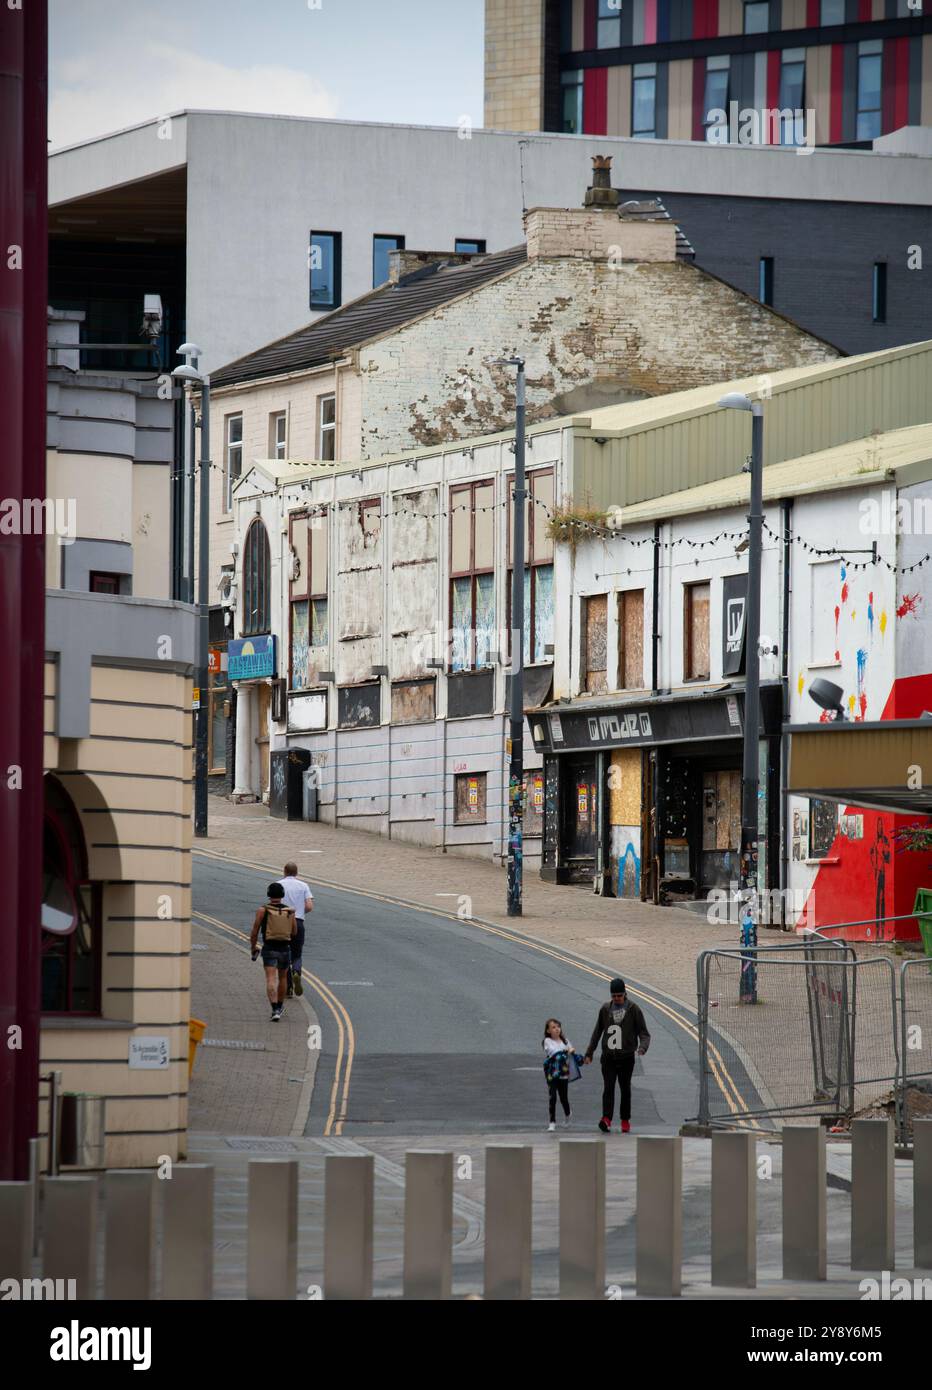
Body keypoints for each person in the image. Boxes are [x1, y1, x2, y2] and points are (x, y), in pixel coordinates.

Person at [583, 977, 650, 1134]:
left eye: (619, 996)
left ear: (625, 994)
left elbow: (644, 1032)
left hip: (626, 1057)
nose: (617, 999)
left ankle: (625, 1119)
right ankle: (606, 1119)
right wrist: (589, 1052)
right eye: (614, 996)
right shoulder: (605, 1009)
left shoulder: (634, 1009)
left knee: (625, 1089)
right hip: (608, 1057)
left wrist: (642, 1048)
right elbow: (597, 1032)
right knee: (608, 1088)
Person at [250, 883, 296, 1022]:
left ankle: (275, 1009)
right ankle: (280, 1006)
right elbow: (294, 932)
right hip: (285, 948)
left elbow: (255, 930)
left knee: (271, 978)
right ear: (282, 895)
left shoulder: (263, 910)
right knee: (283, 978)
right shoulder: (289, 911)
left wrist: (253, 946)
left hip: (269, 947)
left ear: (269, 894)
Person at [278, 861, 314, 997]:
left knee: (284, 954)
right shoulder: (304, 886)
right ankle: (297, 971)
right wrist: (300, 912)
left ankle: (288, 988)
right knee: (297, 953)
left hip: (281, 923)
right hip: (298, 922)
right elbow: (309, 906)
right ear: (296, 872)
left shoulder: (278, 885)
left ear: (284, 871)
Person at [542, 1017, 581, 1132]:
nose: (557, 1029)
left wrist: (574, 1052)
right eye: (553, 1027)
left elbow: (572, 1053)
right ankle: (552, 1122)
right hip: (552, 1074)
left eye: (558, 1027)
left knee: (564, 1098)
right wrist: (566, 1051)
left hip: (563, 1073)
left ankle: (568, 1115)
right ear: (548, 1031)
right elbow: (552, 1052)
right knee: (552, 1097)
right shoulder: (547, 1041)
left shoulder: (565, 1041)